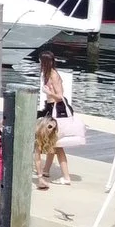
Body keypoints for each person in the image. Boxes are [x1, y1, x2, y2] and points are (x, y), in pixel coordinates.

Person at [34, 51, 77, 189]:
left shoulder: (53, 75)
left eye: (41, 61)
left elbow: (60, 96)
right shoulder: (46, 74)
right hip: (49, 107)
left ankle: (66, 177)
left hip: (56, 110)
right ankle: (46, 170)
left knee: (58, 145)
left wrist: (48, 92)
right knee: (52, 142)